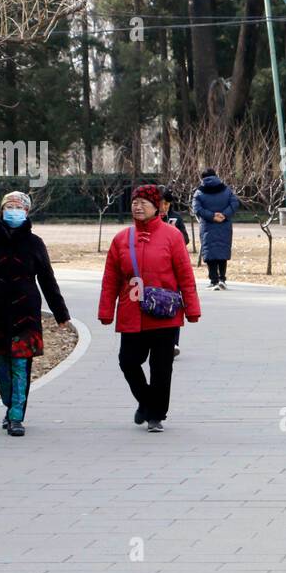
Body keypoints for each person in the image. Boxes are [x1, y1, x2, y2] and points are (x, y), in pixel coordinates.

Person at [0, 191, 73, 438]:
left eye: (18, 206)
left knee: (21, 364)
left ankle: (16, 417)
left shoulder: (35, 243)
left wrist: (61, 313)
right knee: (1, 366)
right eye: (9, 205)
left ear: (26, 212)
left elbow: (47, 279)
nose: (13, 209)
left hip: (26, 313)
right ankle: (8, 404)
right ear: (2, 210)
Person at [98, 184, 201, 432]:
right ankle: (146, 402)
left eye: (144, 202)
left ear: (157, 207)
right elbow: (110, 277)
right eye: (135, 201)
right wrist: (105, 311)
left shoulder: (172, 236)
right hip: (131, 311)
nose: (138, 206)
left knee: (161, 367)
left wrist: (192, 308)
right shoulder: (121, 238)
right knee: (128, 361)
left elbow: (185, 275)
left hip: (164, 313)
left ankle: (156, 415)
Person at [157, 186, 191, 356]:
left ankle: (173, 343)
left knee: (173, 304)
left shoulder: (175, 219)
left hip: (172, 270)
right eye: (160, 203)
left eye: (166, 204)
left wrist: (173, 233)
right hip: (154, 271)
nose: (163, 208)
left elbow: (185, 239)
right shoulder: (148, 219)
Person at [192, 167, 239, 290]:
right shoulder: (226, 190)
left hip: (208, 225)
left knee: (210, 252)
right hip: (224, 224)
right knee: (222, 251)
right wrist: (224, 214)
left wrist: (212, 216)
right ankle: (222, 279)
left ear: (202, 178)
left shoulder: (199, 192)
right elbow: (234, 203)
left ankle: (214, 280)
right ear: (216, 176)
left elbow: (197, 208)